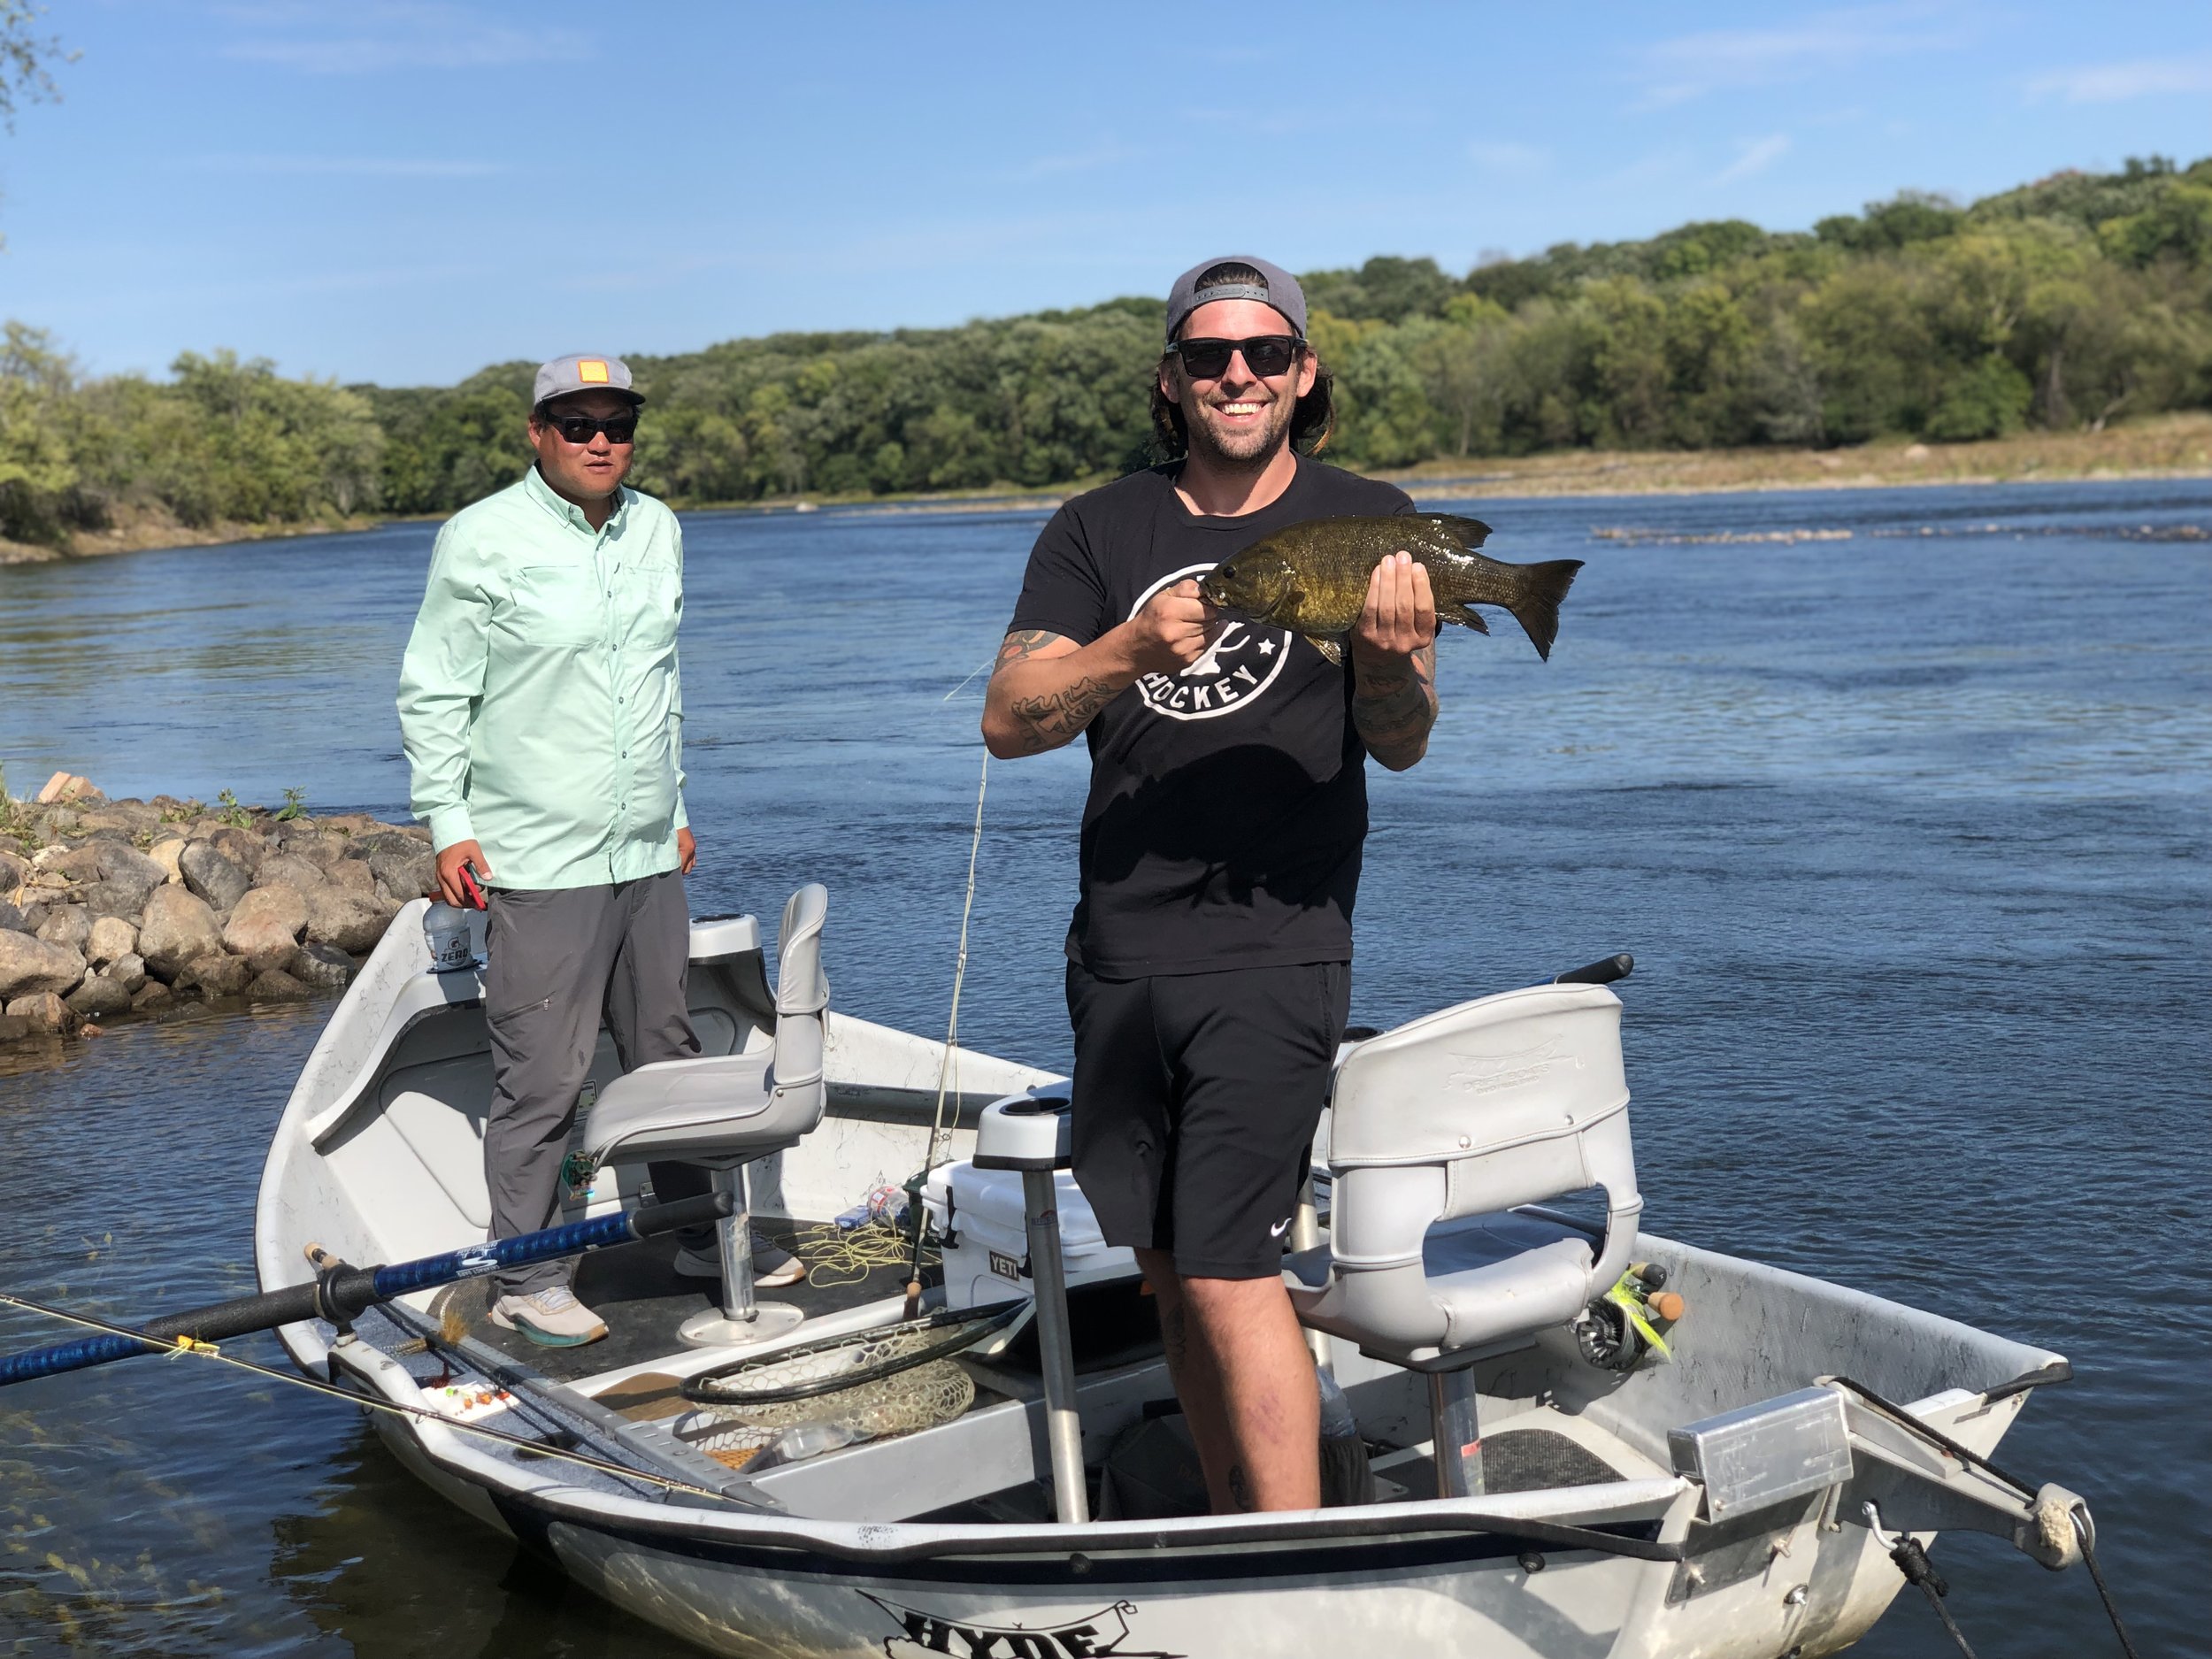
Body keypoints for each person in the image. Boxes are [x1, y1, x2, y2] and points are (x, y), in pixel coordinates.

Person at [980, 257, 1438, 1509]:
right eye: (1207, 356)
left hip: (1276, 945)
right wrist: (1128, 646)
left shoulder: (1370, 515)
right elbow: (1009, 719)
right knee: (1172, 1268)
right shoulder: (1096, 528)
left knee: (1234, 1268)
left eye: (1264, 354)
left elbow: (1400, 738)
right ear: (1171, 381)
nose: (1236, 374)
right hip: (1120, 954)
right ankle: (1238, 1516)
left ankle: (1294, 1580)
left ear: (1304, 374)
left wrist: (1393, 663)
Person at [396, 352, 799, 1348]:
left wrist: (673, 810)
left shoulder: (657, 528)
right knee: (544, 1078)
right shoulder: (480, 538)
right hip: (538, 857)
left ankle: (699, 1232)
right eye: (576, 424)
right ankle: (530, 1277)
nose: (600, 441)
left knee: (665, 1051)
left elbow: (658, 687)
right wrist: (450, 824)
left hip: (645, 849)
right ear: (536, 434)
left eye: (616, 423)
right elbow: (435, 690)